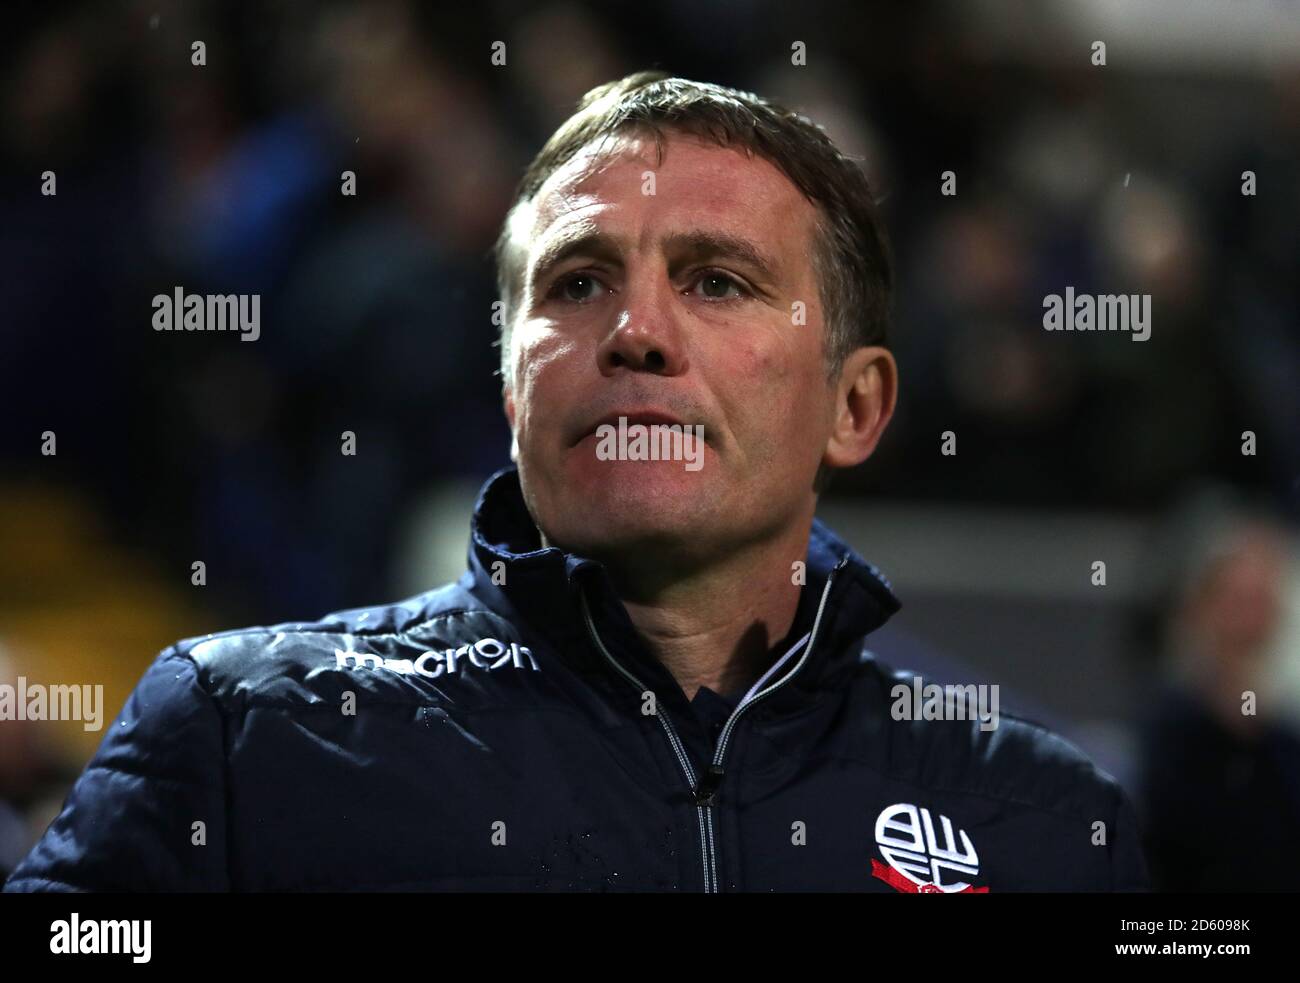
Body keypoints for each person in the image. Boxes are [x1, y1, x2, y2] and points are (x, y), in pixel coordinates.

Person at [4, 71, 1147, 892]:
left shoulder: (1043, 820)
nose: (636, 331)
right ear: (513, 388)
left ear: (855, 407)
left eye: (715, 281)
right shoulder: (241, 741)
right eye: (578, 283)